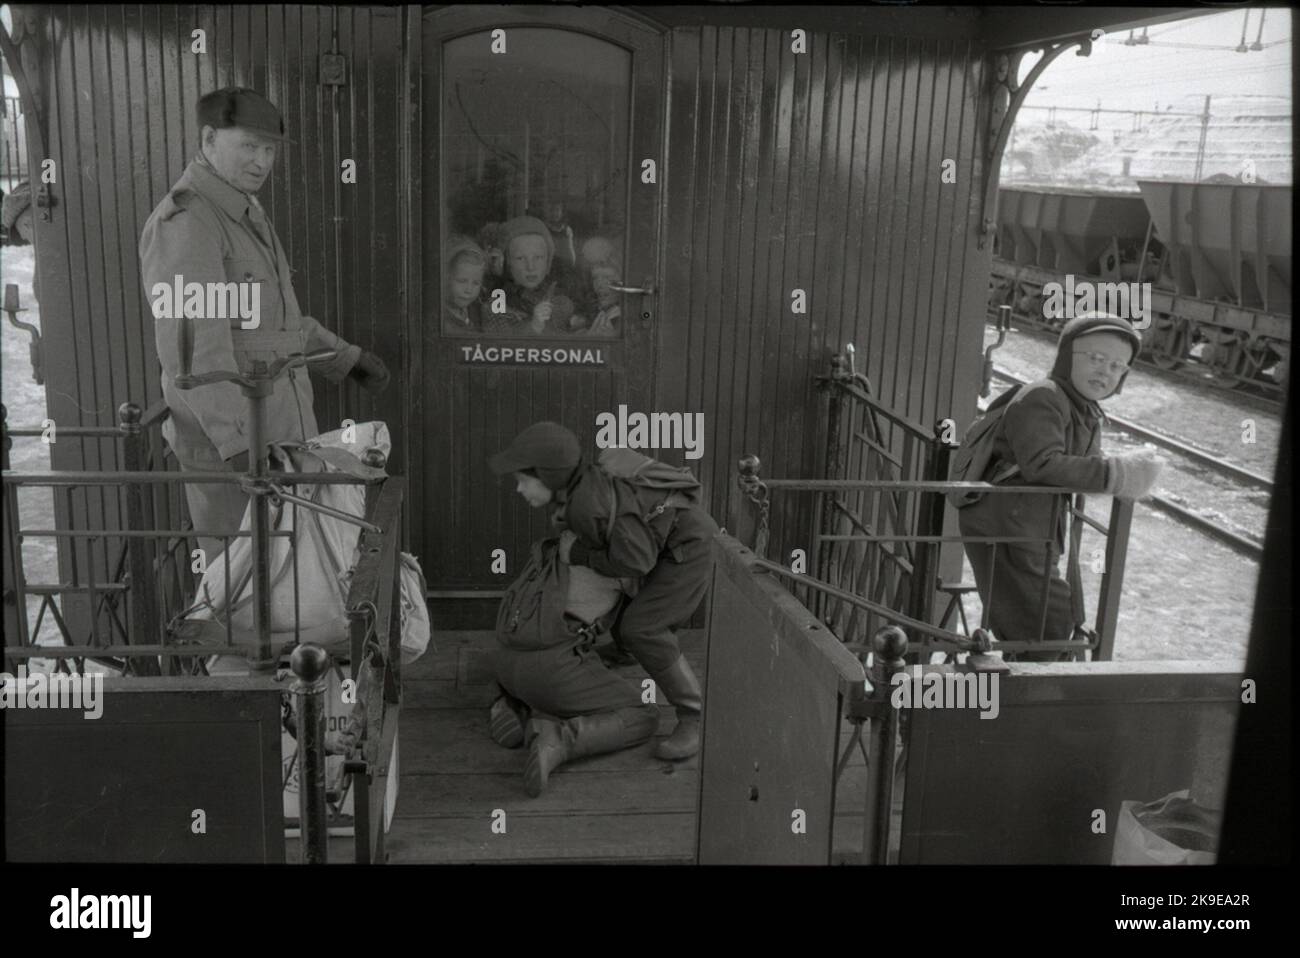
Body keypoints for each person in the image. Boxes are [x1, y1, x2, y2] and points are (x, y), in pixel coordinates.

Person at [140, 87, 391, 559]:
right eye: (248, 146)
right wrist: (240, 445)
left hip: (276, 439)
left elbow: (270, 325)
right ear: (210, 139)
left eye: (269, 149)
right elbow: (192, 350)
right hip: (235, 455)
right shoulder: (189, 222)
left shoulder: (241, 212)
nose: (261, 162)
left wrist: (344, 357)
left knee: (284, 582)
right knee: (245, 595)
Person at [490, 422, 719, 759]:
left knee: (645, 627)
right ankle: (624, 652)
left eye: (524, 480)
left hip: (688, 547)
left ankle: (694, 717)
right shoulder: (579, 491)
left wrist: (579, 554)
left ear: (550, 476)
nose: (519, 490)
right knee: (631, 612)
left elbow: (637, 562)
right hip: (665, 541)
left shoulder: (585, 505)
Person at [957, 313, 1163, 660]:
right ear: (1068, 357)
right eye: (1096, 359)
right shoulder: (1044, 397)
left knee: (1038, 623)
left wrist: (1119, 466)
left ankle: (1020, 688)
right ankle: (1026, 699)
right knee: (1048, 625)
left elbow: (1082, 462)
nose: (1105, 372)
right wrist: (1119, 474)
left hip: (1030, 524)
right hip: (1007, 524)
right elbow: (1042, 463)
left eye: (1116, 366)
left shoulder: (1084, 409)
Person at [487, 543, 660, 797]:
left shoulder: (563, 538)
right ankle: (558, 740)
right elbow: (654, 613)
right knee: (644, 714)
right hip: (550, 671)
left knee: (549, 666)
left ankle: (508, 704)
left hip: (502, 658)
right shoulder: (625, 554)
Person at [483, 216, 586, 335]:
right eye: (520, 258)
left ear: (548, 261)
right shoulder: (496, 305)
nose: (530, 267)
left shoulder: (562, 302)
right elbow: (496, 350)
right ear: (507, 262)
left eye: (538, 258)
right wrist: (533, 327)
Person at [442, 237, 488, 333]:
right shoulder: (441, 319)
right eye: (462, 281)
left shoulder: (477, 313)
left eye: (476, 283)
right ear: (446, 278)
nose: (468, 290)